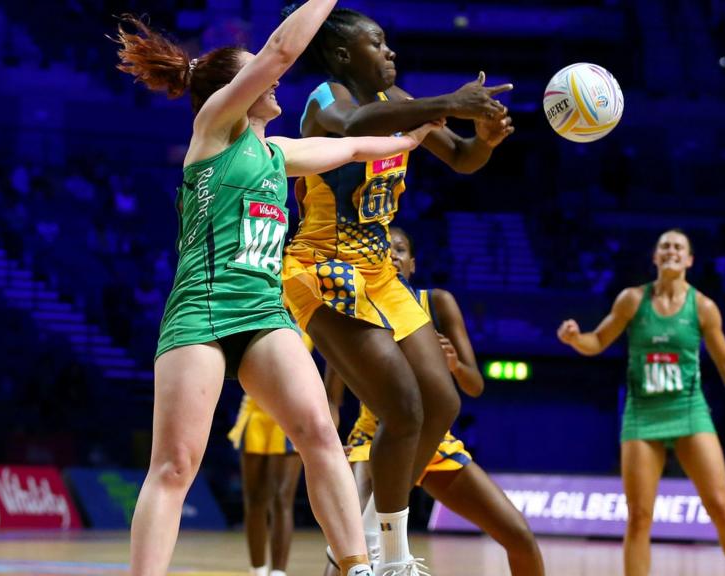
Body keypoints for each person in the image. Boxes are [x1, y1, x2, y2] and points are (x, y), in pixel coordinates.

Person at [112, 2, 443, 574]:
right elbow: (281, 51)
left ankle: (355, 565)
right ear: (236, 88)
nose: (277, 79)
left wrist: (414, 136)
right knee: (174, 466)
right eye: (258, 75)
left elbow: (354, 148)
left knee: (318, 431)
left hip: (264, 312)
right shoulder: (214, 131)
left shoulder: (277, 152)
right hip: (202, 311)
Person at [281, 6, 514, 573]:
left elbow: (461, 158)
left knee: (442, 403)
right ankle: (392, 558)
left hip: (380, 269)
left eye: (388, 45)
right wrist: (446, 104)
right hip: (323, 264)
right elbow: (352, 127)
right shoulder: (324, 100)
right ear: (342, 55)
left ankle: (359, 538)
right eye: (377, 44)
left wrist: (484, 138)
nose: (391, 53)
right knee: (403, 409)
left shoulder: (398, 102)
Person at [557, 229, 725, 576]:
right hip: (642, 415)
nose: (671, 251)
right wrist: (575, 339)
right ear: (655, 257)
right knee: (639, 517)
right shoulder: (632, 300)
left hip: (689, 411)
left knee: (721, 506)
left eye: (679, 247)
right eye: (665, 246)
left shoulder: (704, 307)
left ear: (690, 260)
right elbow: (598, 341)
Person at [325, 227, 544, 576]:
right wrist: (330, 428)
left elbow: (474, 386)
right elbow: (333, 383)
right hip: (376, 442)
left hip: (435, 441)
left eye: (400, 249)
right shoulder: (359, 306)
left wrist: (455, 365)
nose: (393, 254)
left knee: (520, 538)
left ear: (412, 263)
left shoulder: (438, 302)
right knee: (351, 553)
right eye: (384, 249)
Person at [229, 394, 303, 576]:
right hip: (255, 411)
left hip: (290, 412)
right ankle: (257, 571)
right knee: (254, 500)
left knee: (281, 499)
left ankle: (278, 573)